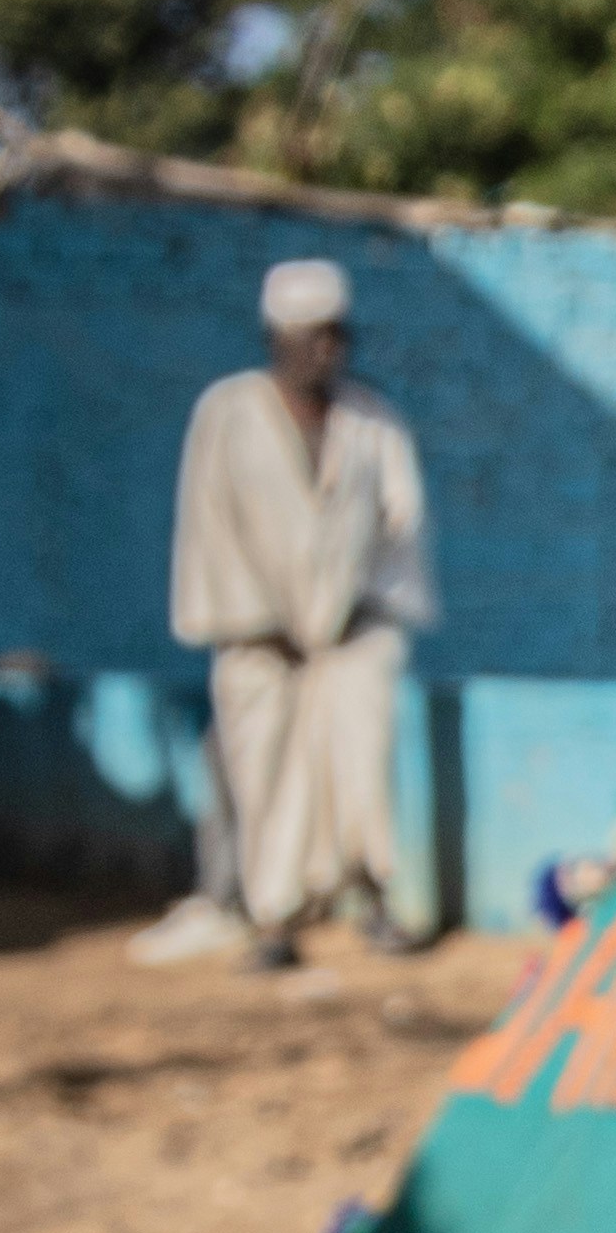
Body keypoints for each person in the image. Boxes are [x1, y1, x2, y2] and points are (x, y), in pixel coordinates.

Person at [169, 259, 436, 970]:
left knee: (362, 771)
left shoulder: (371, 420)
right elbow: (209, 525)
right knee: (267, 784)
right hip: (260, 641)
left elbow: (401, 525)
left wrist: (365, 606)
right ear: (275, 338)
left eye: (336, 335)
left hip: (353, 635)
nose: (327, 351)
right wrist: (258, 619)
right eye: (310, 336)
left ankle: (371, 898)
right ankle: (274, 921)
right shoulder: (226, 413)